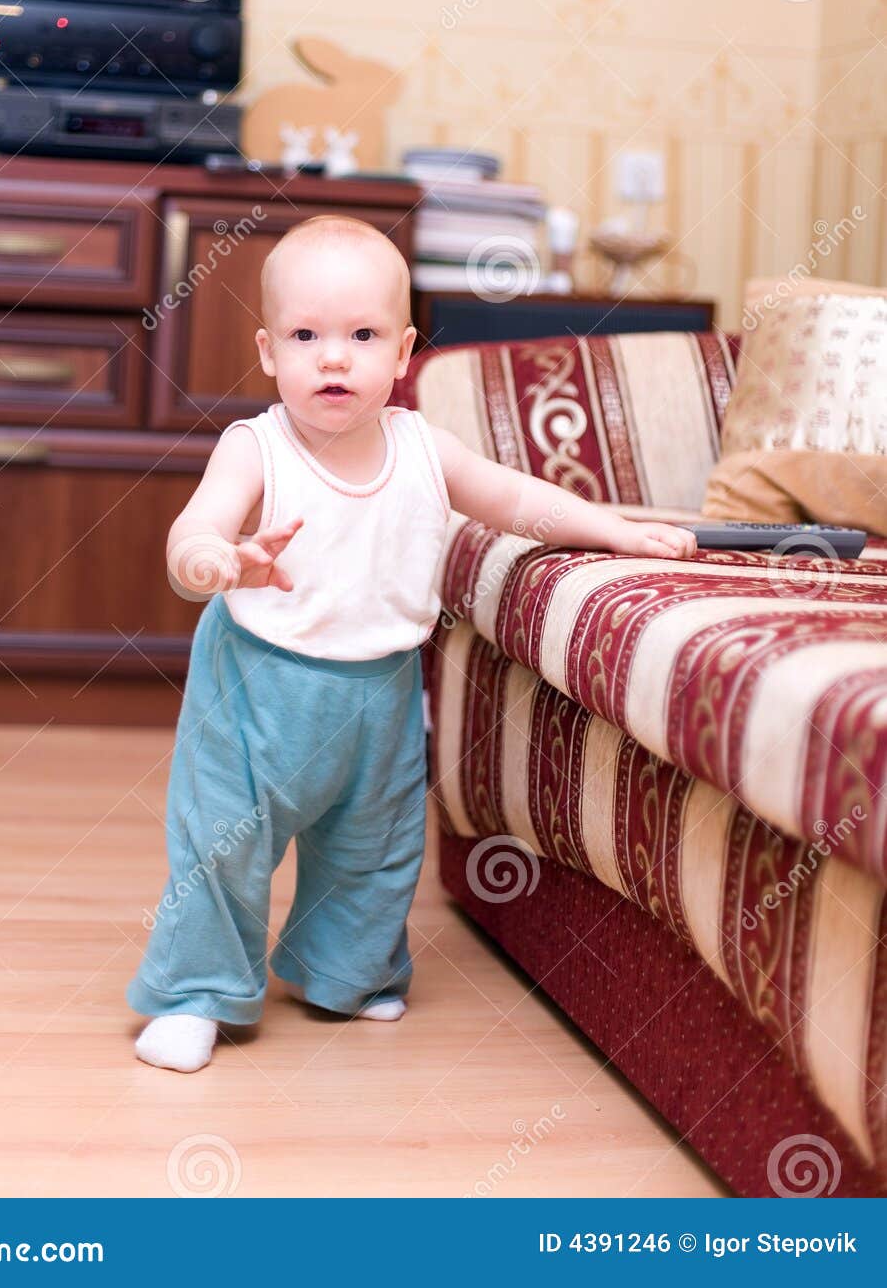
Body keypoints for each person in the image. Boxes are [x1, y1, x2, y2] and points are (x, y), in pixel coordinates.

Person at [127, 214, 696, 1070]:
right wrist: (220, 561)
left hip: (380, 690)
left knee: (374, 846)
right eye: (305, 335)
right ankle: (195, 993)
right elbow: (190, 534)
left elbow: (515, 500)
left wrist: (612, 531)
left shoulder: (423, 447)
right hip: (254, 687)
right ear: (267, 351)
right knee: (224, 845)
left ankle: (342, 975)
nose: (332, 357)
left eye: (361, 335)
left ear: (401, 354)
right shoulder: (256, 447)